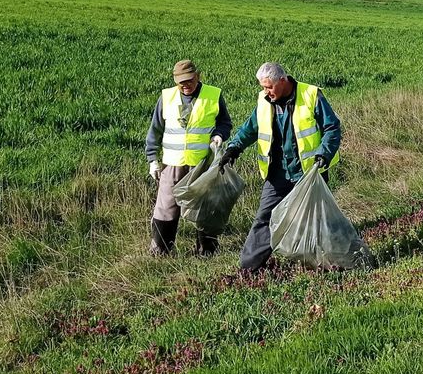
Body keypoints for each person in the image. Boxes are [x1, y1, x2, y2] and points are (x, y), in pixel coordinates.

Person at [218, 62, 342, 271]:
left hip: (308, 172)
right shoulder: (264, 100)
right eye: (263, 87)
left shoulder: (311, 95)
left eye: (269, 87)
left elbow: (332, 127)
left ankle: (326, 264)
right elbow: (250, 128)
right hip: (277, 174)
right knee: (265, 218)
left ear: (283, 81)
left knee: (316, 221)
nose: (266, 92)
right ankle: (248, 269)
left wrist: (324, 154)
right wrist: (234, 148)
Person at [144, 59, 232, 256]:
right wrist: (152, 159)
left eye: (189, 80)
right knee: (166, 207)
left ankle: (206, 251)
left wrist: (219, 135)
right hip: (172, 163)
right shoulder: (166, 97)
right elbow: (155, 131)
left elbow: (225, 123)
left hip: (202, 164)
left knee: (205, 207)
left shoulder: (213, 95)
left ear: (197, 76)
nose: (186, 85)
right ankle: (161, 251)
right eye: (181, 82)